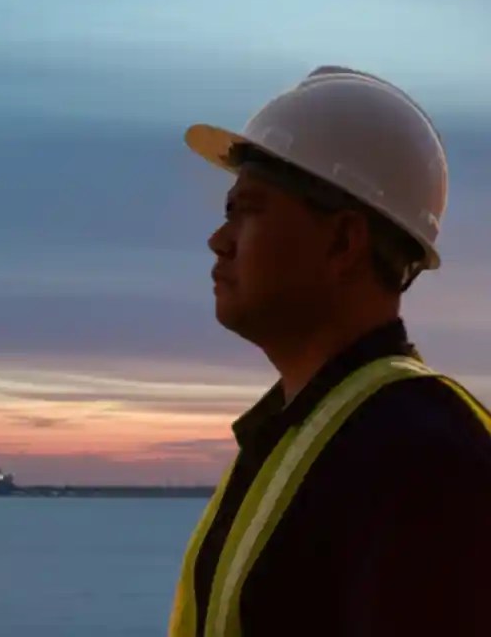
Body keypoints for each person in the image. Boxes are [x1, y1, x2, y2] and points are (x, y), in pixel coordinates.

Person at [166, 66, 491, 637]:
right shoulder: (303, 438)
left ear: (343, 242)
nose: (219, 241)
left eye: (250, 210)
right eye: (227, 212)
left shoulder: (426, 456)